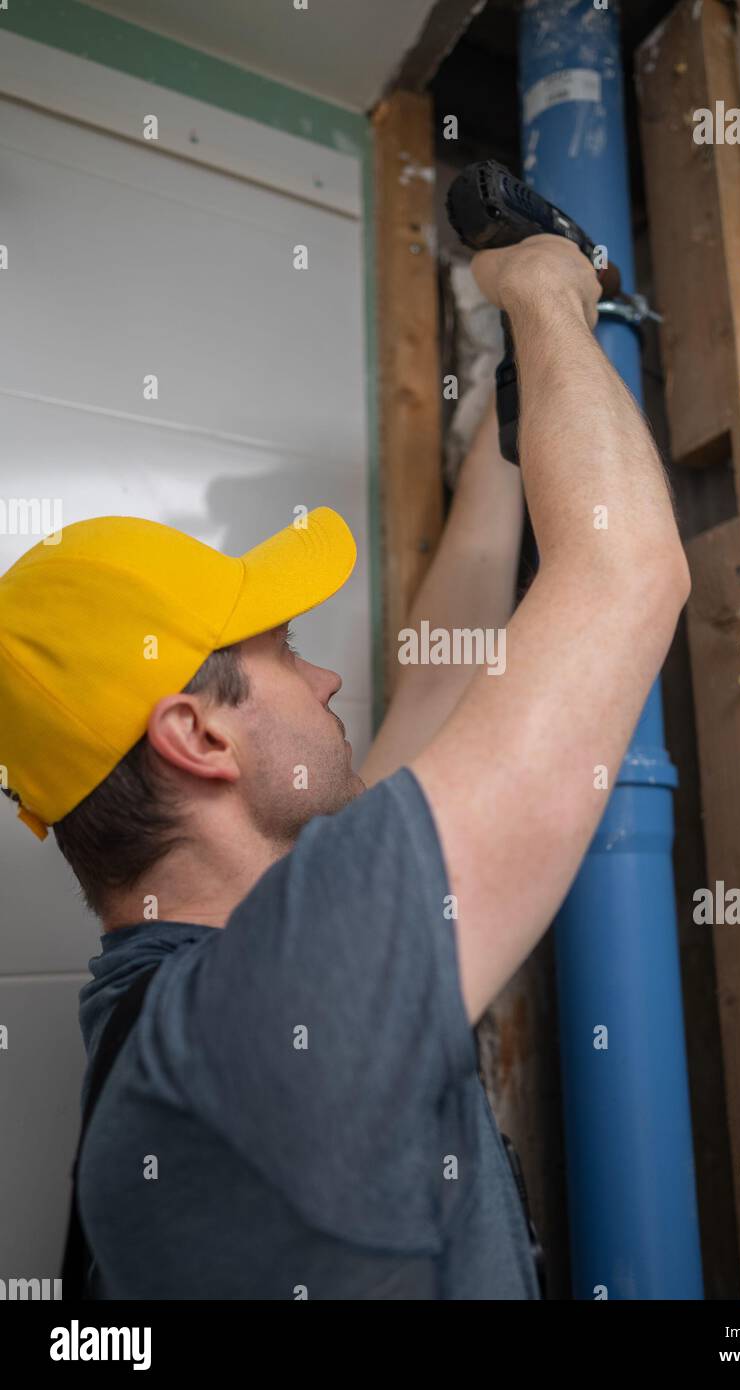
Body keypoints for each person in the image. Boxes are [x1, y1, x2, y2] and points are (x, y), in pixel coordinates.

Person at [0, 234, 689, 1298]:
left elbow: (439, 683)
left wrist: (495, 436)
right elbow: (626, 563)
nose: (326, 680)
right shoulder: (259, 1016)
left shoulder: (194, 1007)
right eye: (282, 654)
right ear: (200, 737)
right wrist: (544, 290)